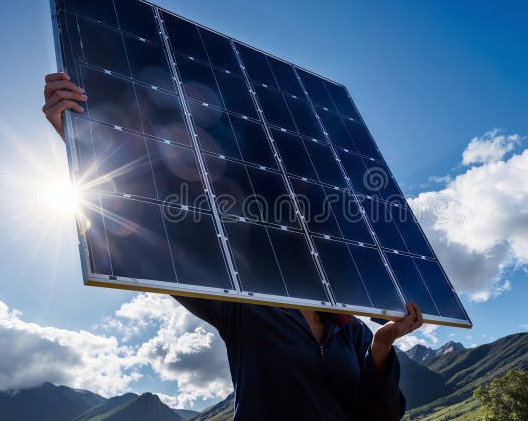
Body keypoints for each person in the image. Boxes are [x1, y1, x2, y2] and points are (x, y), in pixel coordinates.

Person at [43, 72, 425, 420]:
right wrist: (80, 143)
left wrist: (381, 345)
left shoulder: (352, 330)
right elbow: (145, 246)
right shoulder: (248, 306)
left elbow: (380, 418)